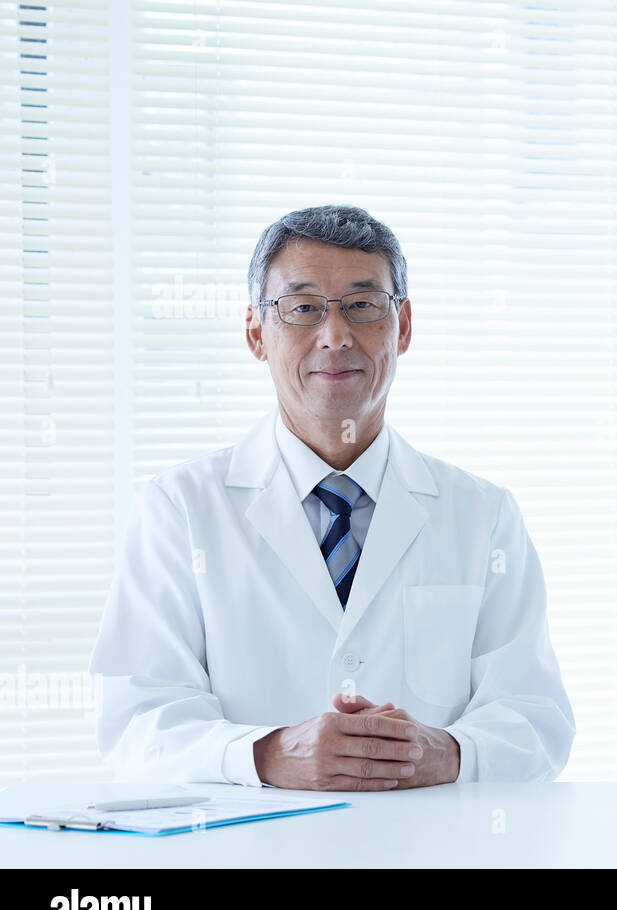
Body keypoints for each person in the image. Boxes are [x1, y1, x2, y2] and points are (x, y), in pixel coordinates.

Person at [91, 205, 574, 789]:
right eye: (302, 309)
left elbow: (535, 718)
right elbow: (137, 721)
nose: (336, 336)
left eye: (363, 305)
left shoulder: (483, 515)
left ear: (403, 327)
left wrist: (445, 751)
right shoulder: (180, 509)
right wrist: (269, 754)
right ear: (255, 333)